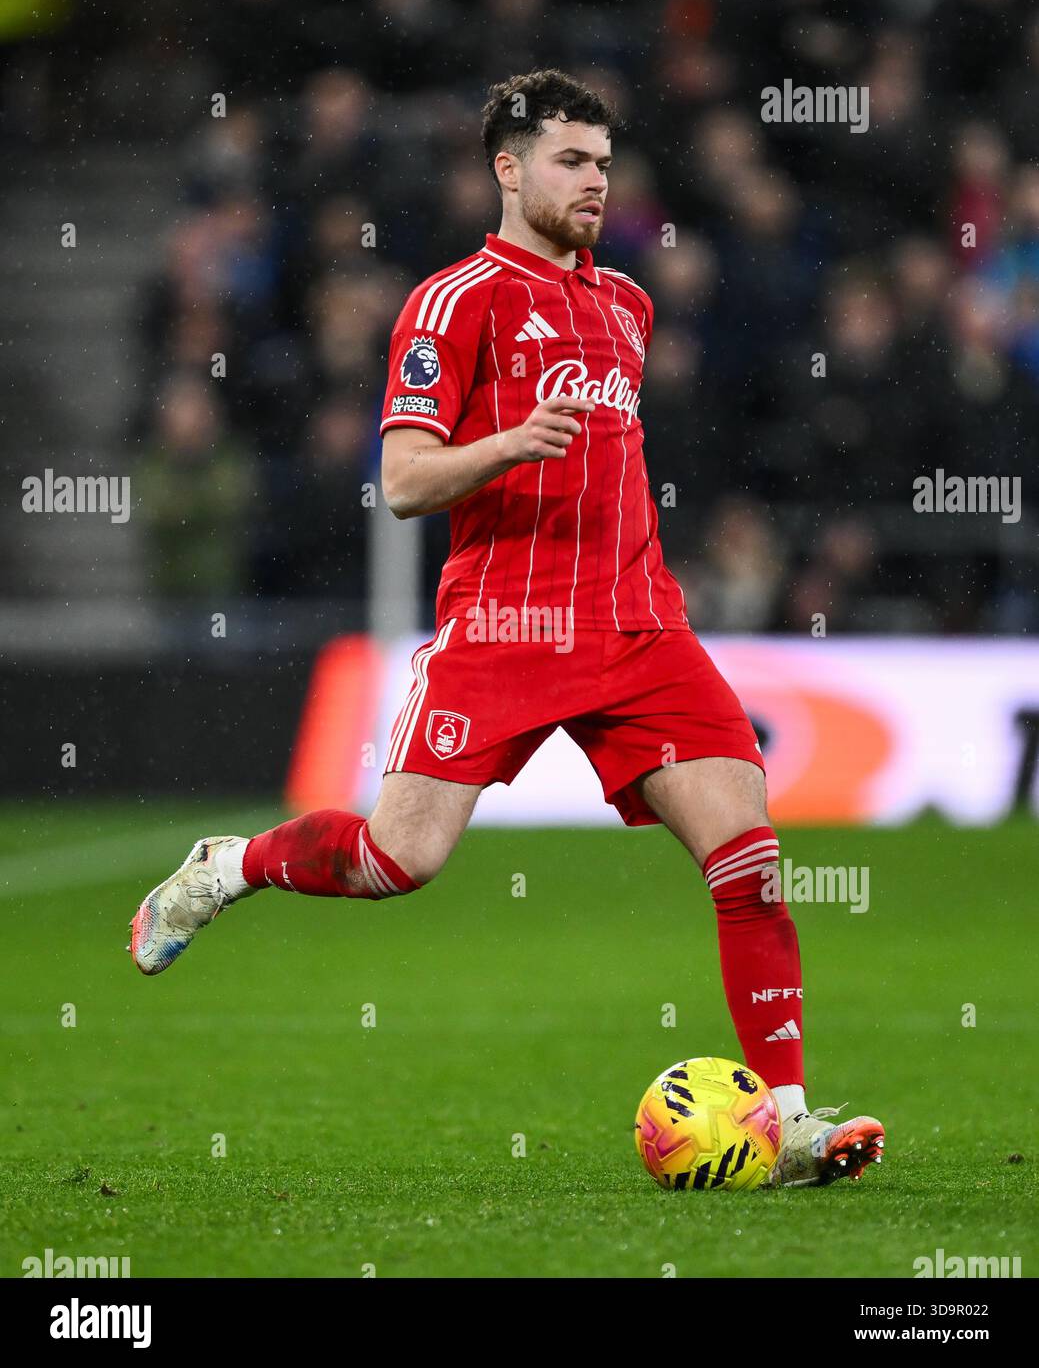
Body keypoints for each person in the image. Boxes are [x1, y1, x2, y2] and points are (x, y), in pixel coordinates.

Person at [130, 69, 883, 1188]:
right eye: (571, 161)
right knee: (400, 858)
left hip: (638, 628)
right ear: (508, 168)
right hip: (505, 628)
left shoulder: (628, 305)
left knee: (752, 862)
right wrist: (507, 444)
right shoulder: (453, 302)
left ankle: (788, 1123)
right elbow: (400, 481)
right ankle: (227, 865)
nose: (595, 180)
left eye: (603, 161)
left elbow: (613, 466)